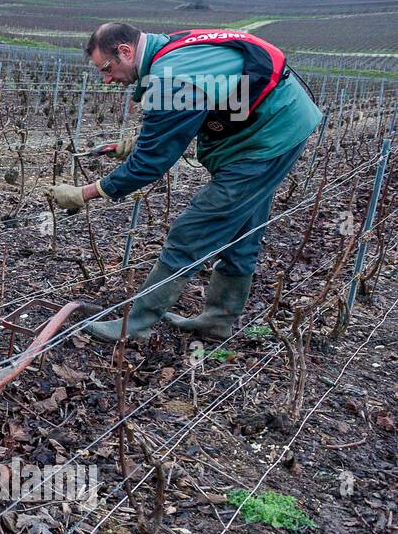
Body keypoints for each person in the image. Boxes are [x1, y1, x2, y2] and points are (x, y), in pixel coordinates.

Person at [46, 23, 323, 343]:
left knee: (192, 231)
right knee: (242, 230)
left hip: (266, 141)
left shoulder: (170, 78)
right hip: (276, 126)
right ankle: (217, 320)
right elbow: (197, 106)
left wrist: (84, 193)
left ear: (125, 51)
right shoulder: (172, 49)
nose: (106, 79)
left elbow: (149, 165)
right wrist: (142, 141)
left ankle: (135, 326)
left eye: (106, 69)